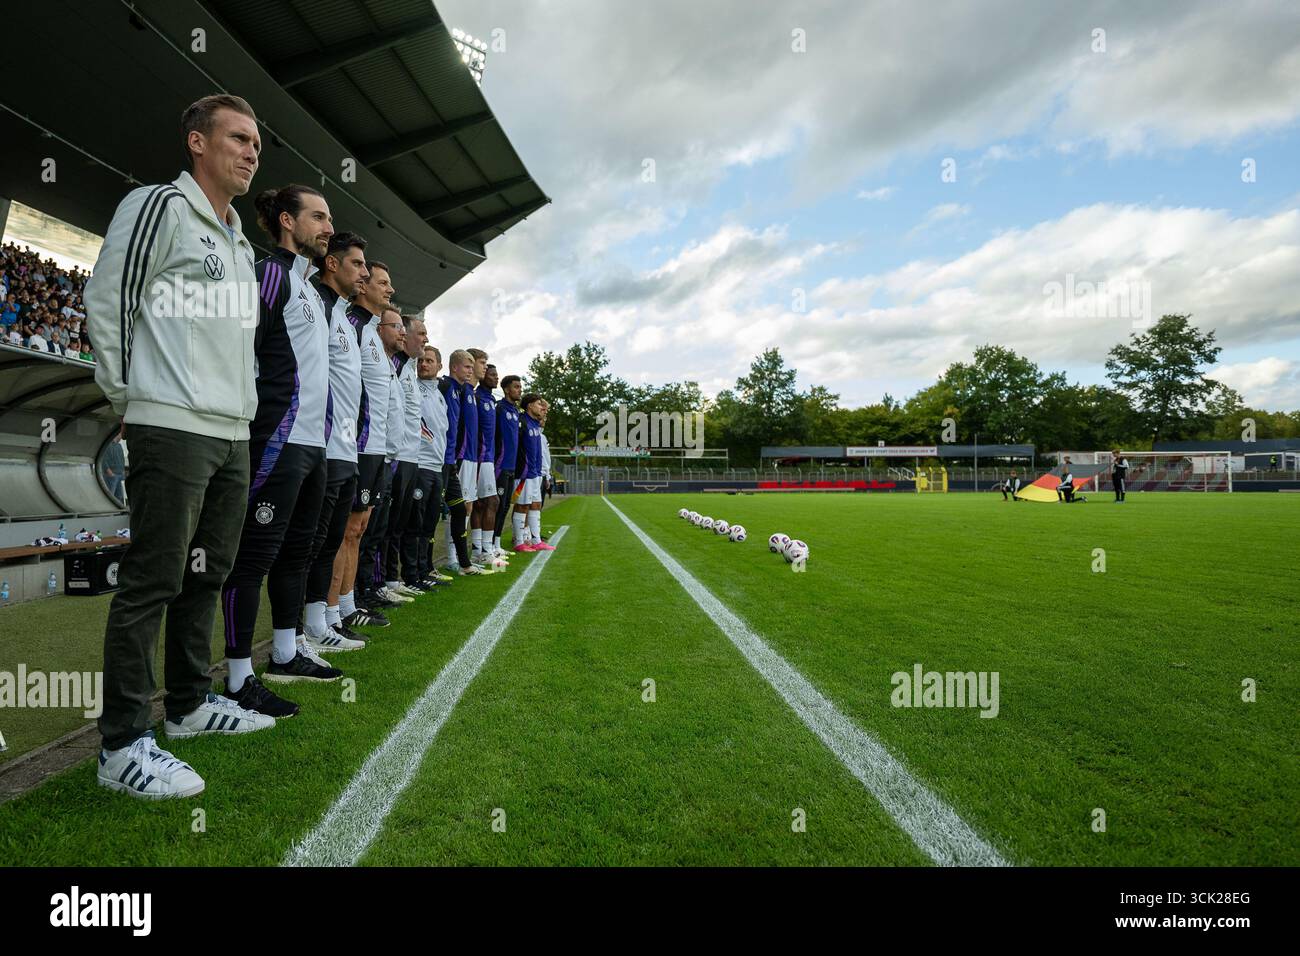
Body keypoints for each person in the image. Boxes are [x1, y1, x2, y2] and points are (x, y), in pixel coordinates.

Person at [89, 93, 274, 800]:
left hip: (232, 432)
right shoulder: (158, 207)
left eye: (256, 143)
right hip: (172, 425)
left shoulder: (240, 243)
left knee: (208, 575)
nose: (251, 151)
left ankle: (190, 707)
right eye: (238, 137)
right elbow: (110, 298)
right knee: (152, 581)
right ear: (197, 142)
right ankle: (122, 744)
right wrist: (129, 401)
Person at [220, 183, 343, 719]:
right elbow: (242, 346)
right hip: (279, 439)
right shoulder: (270, 273)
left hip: (314, 445)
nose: (328, 226)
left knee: (298, 553)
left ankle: (288, 653)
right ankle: (237, 678)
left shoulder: (311, 289)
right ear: (288, 222)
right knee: (253, 560)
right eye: (318, 216)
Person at [302, 232, 370, 649]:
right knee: (310, 543)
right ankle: (301, 631)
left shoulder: (344, 315)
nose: (363, 271)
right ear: (332, 264)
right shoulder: (317, 305)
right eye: (358, 264)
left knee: (328, 542)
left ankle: (320, 622)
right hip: (321, 446)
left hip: (346, 449)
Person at [334, 264, 397, 628]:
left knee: (357, 531)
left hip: (376, 449)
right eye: (383, 283)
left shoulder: (371, 332)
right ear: (364, 288)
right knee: (344, 531)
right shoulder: (353, 326)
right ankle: (331, 611)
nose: (390, 289)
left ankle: (347, 603)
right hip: (355, 445)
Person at [380, 314, 429, 595]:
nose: (425, 339)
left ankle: (390, 579)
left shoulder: (408, 368)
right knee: (386, 525)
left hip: (412, 457)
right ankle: (378, 582)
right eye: (420, 333)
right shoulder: (396, 365)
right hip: (396, 456)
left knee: (399, 524)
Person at [438, 349, 484, 574]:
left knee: (463, 507)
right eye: (469, 366)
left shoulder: (463, 391)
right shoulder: (449, 388)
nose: (472, 369)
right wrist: (457, 454)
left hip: (458, 458)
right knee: (456, 508)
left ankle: (462, 561)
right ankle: (452, 559)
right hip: (454, 457)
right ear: (455, 367)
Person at [408, 345, 450, 588]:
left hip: (437, 467)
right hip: (420, 464)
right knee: (415, 523)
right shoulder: (412, 387)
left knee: (429, 524)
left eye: (429, 361)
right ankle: (412, 576)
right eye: (421, 360)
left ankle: (425, 570)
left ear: (439, 366)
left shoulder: (440, 396)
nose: (424, 364)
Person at [512, 394, 555, 551]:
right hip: (525, 472)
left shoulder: (535, 425)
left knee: (536, 504)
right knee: (522, 506)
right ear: (530, 406)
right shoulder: (522, 422)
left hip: (536, 473)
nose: (542, 408)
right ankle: (519, 542)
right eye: (539, 404)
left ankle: (536, 540)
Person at [493, 375, 522, 552]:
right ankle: (488, 545)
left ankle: (496, 543)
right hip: (500, 466)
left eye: (520, 386)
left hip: (512, 467)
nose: (519, 389)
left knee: (505, 507)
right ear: (506, 389)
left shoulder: (516, 411)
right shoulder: (500, 408)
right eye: (516, 387)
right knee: (497, 505)